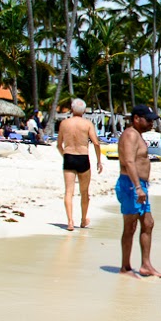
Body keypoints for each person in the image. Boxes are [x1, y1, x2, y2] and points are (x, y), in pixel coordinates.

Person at [116, 105, 161, 278]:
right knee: (130, 226)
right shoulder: (130, 134)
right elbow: (128, 162)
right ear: (136, 118)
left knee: (148, 223)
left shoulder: (138, 136)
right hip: (131, 185)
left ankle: (146, 265)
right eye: (148, 119)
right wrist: (137, 187)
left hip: (139, 186)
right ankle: (125, 267)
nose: (152, 123)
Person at [57, 98, 105, 231]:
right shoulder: (87, 124)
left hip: (69, 156)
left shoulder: (64, 123)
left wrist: (65, 155)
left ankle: (70, 222)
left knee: (68, 192)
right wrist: (99, 160)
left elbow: (59, 145)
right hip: (83, 158)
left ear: (72, 109)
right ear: (84, 110)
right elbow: (96, 143)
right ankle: (83, 220)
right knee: (84, 192)